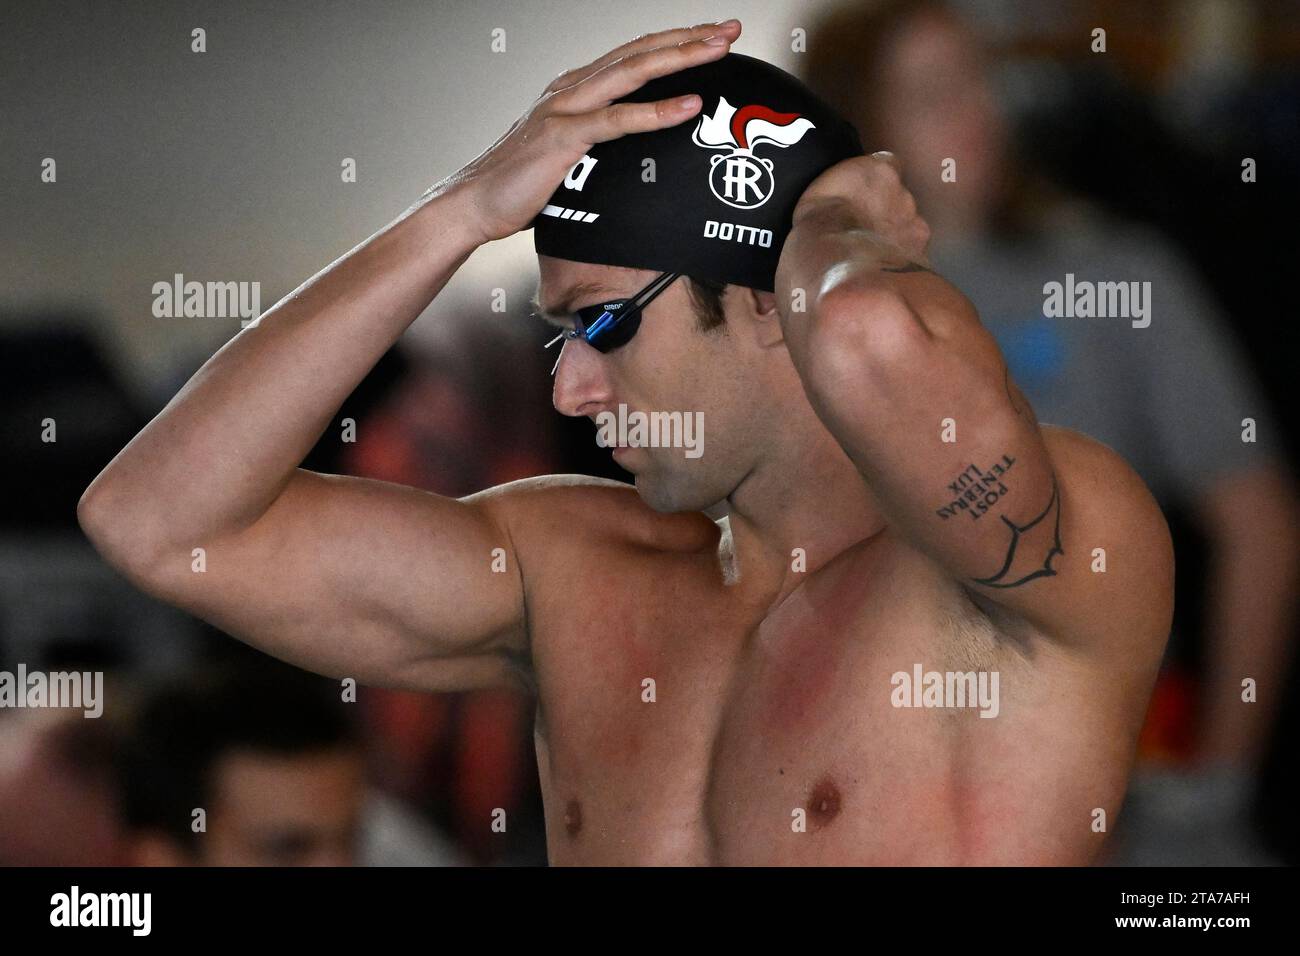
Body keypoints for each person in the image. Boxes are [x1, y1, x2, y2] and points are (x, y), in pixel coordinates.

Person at [79, 20, 1173, 864]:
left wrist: (839, 230)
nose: (572, 382)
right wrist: (459, 213)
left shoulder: (1019, 568)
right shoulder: (570, 572)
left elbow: (866, 334)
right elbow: (156, 520)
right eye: (561, 331)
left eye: (604, 321)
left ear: (768, 302)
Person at [800, 0, 1299, 864]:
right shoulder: (809, 318)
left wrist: (1221, 773)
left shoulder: (1116, 270)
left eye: (980, 79)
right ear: (862, 133)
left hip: (1130, 781)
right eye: (933, 93)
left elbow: (1257, 517)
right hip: (900, 789)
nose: (981, 111)